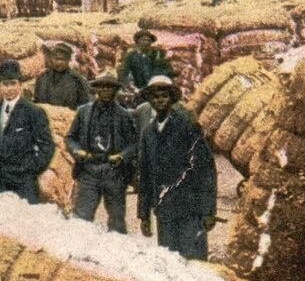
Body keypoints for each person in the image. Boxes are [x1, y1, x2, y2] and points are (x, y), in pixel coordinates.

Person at [135, 75, 217, 260]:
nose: (159, 101)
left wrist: (209, 210)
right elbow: (146, 175)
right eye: (154, 97)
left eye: (164, 96)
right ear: (149, 100)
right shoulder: (148, 133)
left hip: (190, 208)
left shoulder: (187, 126)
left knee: (194, 262)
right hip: (164, 211)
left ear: (171, 98)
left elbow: (206, 169)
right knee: (170, 262)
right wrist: (144, 215)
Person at [66, 72, 139, 233]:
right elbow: (70, 137)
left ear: (116, 90)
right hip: (88, 169)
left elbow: (133, 144)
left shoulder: (124, 115)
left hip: (113, 171)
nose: (106, 90)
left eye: (110, 87)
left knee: (116, 218)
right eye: (102, 87)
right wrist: (77, 150)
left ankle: (116, 255)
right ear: (96, 89)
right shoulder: (84, 112)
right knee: (82, 218)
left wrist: (121, 156)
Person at [0, 61, 56, 203]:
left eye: (13, 83)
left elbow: (47, 146)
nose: (9, 88)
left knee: (24, 222)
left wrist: (30, 170)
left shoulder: (34, 111)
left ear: (20, 85)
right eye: (5, 84)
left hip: (24, 183)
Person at [33, 42, 90, 110]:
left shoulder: (77, 80)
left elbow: (84, 106)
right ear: (51, 59)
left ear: (69, 60)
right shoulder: (42, 78)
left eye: (62, 59)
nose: (59, 62)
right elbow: (36, 101)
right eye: (56, 59)